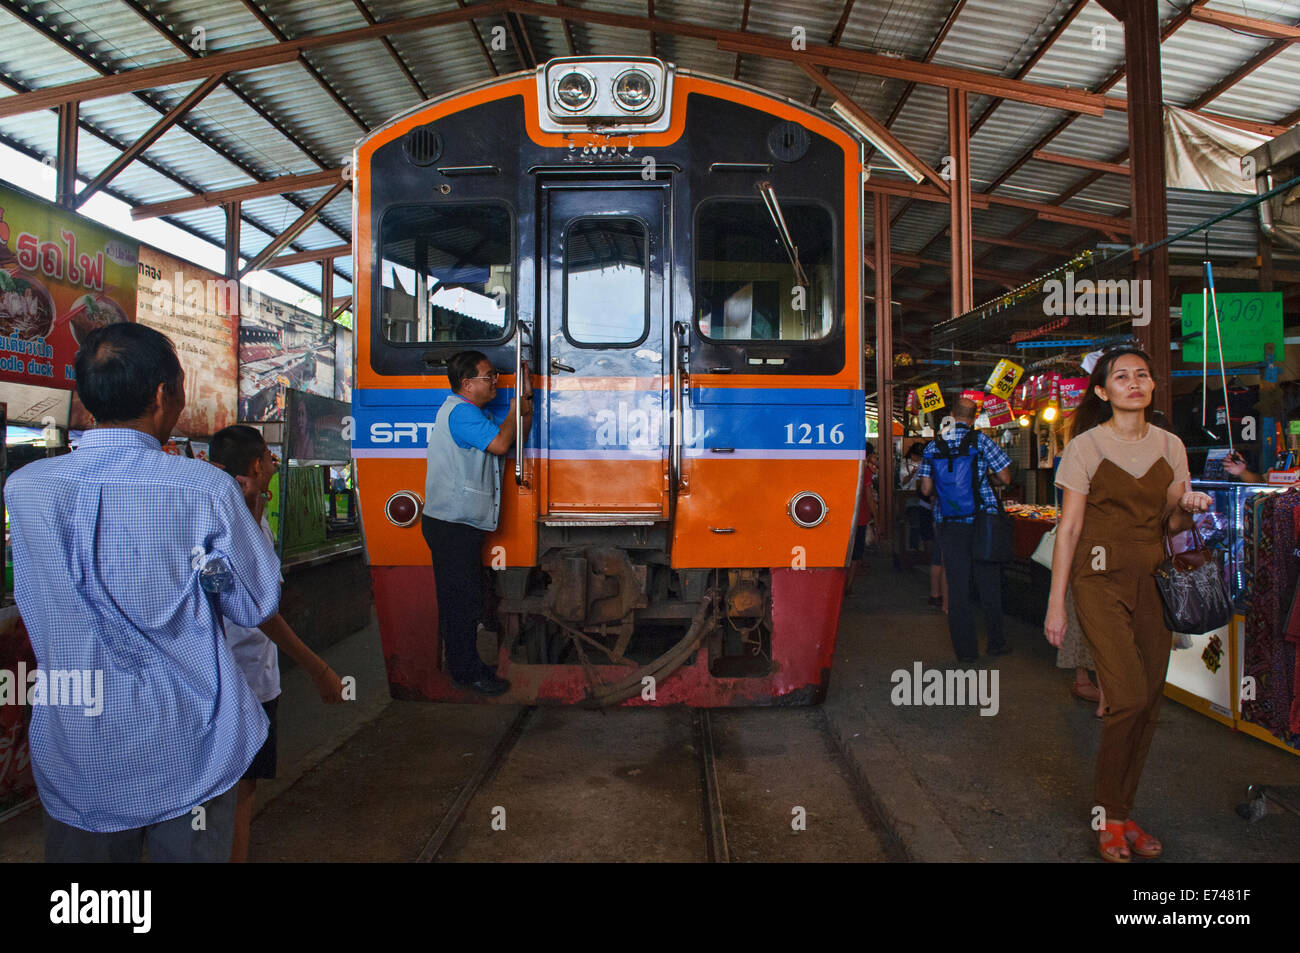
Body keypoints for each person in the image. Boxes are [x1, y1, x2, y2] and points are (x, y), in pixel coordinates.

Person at [5, 323, 282, 861]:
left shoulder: (27, 489)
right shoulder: (204, 488)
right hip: (191, 746)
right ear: (164, 395)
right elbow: (254, 603)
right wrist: (206, 572)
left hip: (76, 749)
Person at [1044, 348, 1212, 863]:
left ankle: (1122, 810)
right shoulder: (1085, 447)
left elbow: (1173, 528)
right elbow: (1069, 529)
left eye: (1142, 374)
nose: (1133, 382)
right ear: (1102, 391)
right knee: (1129, 697)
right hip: (1097, 580)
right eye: (1121, 376)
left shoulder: (1172, 445)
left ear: (1153, 387)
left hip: (1154, 579)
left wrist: (1189, 508)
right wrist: (1056, 603)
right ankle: (1109, 815)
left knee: (1151, 701)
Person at [208, 425, 346, 863]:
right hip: (242, 674)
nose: (272, 466)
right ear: (255, 464)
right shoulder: (236, 520)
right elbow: (259, 611)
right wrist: (317, 667)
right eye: (268, 459)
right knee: (238, 791)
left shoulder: (235, 512)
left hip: (233, 672)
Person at [423, 350, 532, 696]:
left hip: (457, 523)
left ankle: (468, 666)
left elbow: (511, 436)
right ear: (468, 384)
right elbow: (502, 443)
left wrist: (523, 402)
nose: (494, 383)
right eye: (489, 377)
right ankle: (466, 674)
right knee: (461, 601)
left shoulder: (469, 412)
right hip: (451, 524)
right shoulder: (461, 414)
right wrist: (515, 409)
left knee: (466, 598)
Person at [918, 398, 1012, 661]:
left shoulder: (933, 445)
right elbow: (1005, 477)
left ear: (951, 415)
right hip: (983, 520)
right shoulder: (981, 441)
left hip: (949, 522)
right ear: (974, 417)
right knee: (988, 583)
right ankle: (996, 642)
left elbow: (925, 489)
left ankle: (965, 651)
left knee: (957, 588)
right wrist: (986, 479)